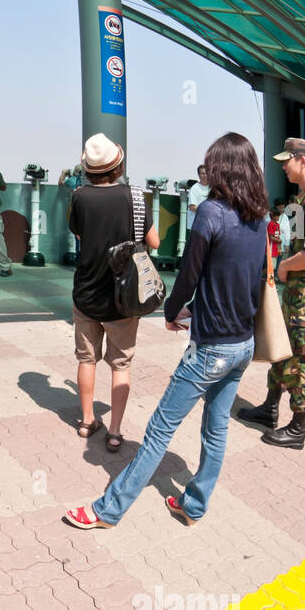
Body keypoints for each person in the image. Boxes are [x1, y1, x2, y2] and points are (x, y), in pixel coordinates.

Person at [65, 132, 269, 529]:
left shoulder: (211, 212)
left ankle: (108, 510)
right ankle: (194, 505)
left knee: (159, 429)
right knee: (217, 426)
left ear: (220, 168)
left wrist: (173, 311)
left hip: (209, 348)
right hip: (242, 343)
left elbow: (189, 274)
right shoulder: (261, 216)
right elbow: (252, 277)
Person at [238, 137, 305, 450]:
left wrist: (283, 268)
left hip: (304, 292)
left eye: (286, 160)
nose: (283, 166)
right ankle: (270, 408)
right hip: (296, 291)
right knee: (282, 348)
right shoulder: (303, 199)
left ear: (302, 161)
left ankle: (297, 428)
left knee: (301, 359)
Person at [67, 134, 160, 451]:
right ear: (118, 164)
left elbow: (79, 233)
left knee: (86, 359)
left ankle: (87, 420)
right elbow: (155, 242)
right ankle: (116, 430)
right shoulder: (135, 197)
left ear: (88, 169)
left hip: (87, 294)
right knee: (121, 365)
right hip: (125, 298)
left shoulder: (79, 197)